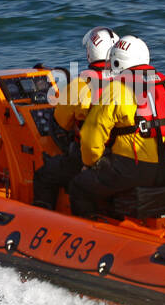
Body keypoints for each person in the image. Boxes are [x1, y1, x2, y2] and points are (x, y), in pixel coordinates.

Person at [68, 35, 165, 218]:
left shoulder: (116, 90)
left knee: (79, 185)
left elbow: (91, 136)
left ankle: (92, 233)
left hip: (134, 171)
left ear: (116, 62)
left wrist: (90, 164)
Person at [32, 27, 118, 209]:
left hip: (90, 157)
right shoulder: (129, 81)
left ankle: (44, 220)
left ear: (90, 54)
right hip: (124, 157)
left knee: (45, 174)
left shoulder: (80, 85)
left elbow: (59, 122)